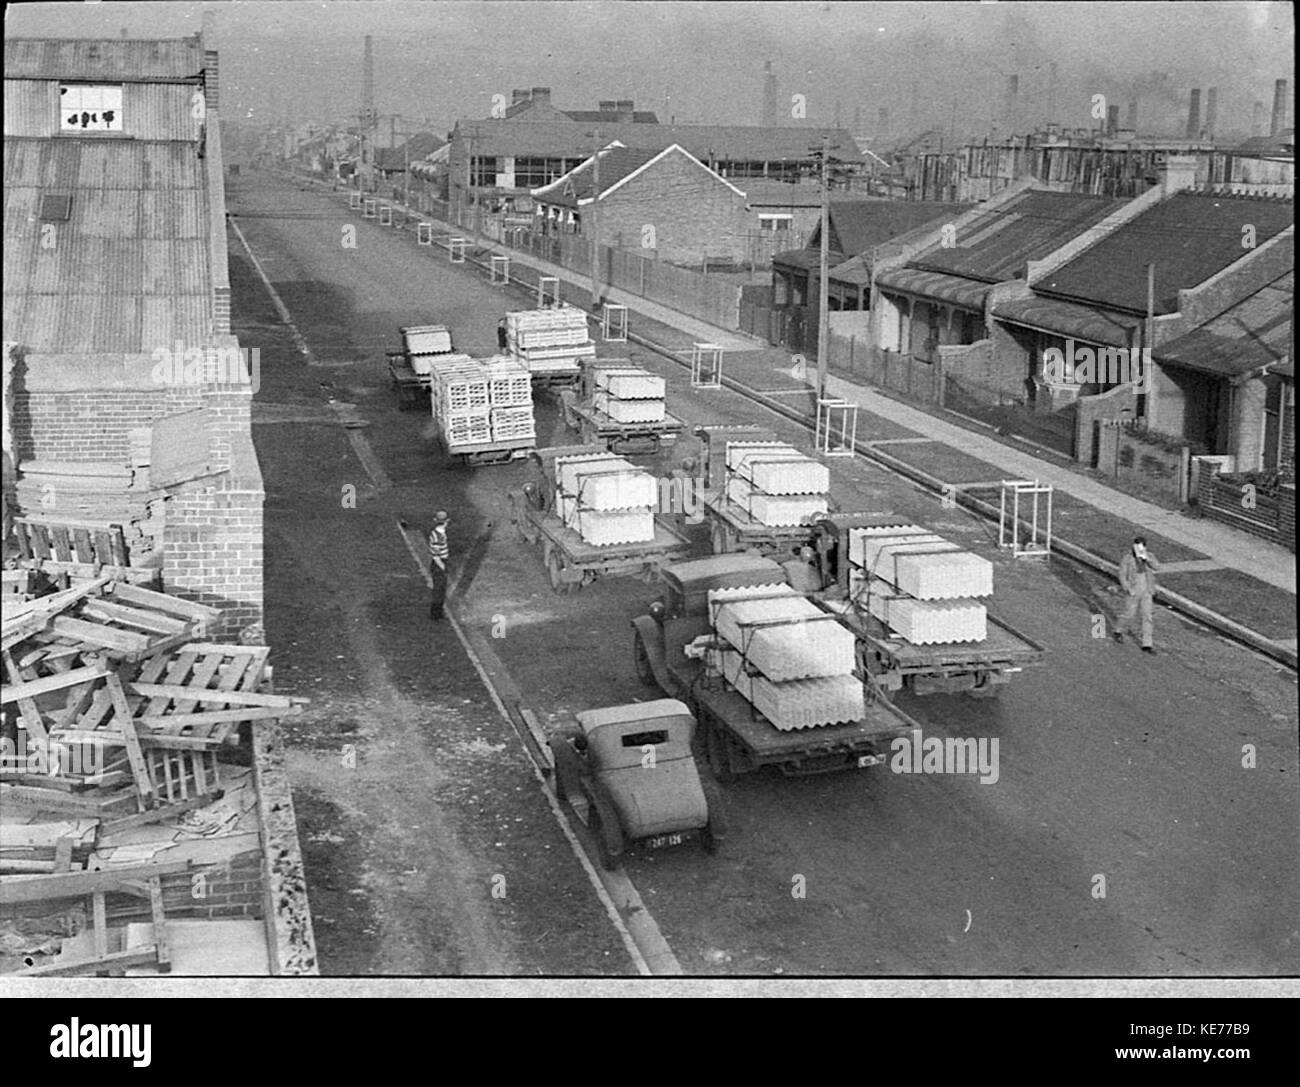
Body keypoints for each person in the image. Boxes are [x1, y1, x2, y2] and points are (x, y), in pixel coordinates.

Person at [1114, 535, 1160, 653]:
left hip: (1146, 590)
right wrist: (1128, 588)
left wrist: (1147, 559)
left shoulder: (1149, 556)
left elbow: (1157, 567)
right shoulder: (1127, 558)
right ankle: (1118, 630)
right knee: (1129, 614)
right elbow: (1122, 575)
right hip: (1134, 590)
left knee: (1147, 616)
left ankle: (1147, 644)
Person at [428, 511, 450, 621]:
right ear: (446, 522)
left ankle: (438, 613)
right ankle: (436, 614)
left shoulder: (438, 533)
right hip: (439, 564)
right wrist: (443, 567)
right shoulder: (438, 536)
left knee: (441, 590)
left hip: (439, 563)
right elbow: (436, 556)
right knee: (439, 590)